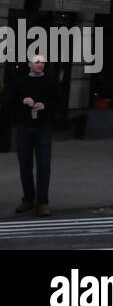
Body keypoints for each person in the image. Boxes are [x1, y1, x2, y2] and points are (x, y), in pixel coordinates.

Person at [2, 56, 57, 216]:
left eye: (43, 62)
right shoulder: (20, 82)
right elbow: (6, 100)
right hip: (24, 127)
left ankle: (43, 202)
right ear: (29, 64)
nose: (41, 64)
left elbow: (58, 99)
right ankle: (28, 199)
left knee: (44, 166)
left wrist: (45, 105)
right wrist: (22, 100)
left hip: (43, 127)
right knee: (25, 165)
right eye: (37, 61)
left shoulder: (50, 81)